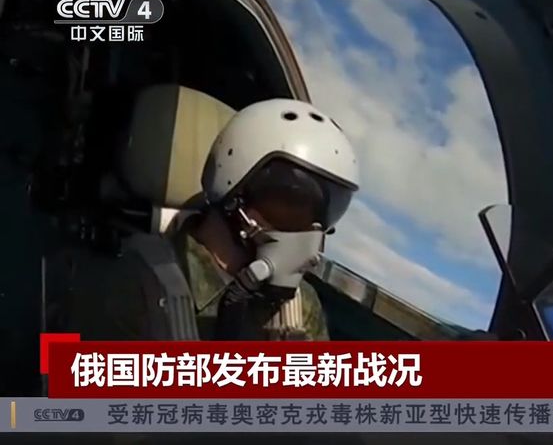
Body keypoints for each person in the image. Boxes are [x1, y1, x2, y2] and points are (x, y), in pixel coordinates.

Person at [65, 98, 359, 341]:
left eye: (322, 214)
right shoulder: (134, 283)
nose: (309, 232)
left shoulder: (299, 309)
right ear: (234, 185)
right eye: (289, 202)